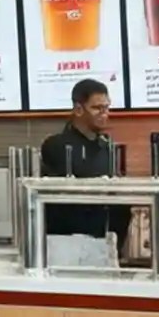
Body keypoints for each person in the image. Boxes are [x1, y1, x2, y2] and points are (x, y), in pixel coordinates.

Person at [40, 79, 130, 243]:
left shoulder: (107, 147)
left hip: (104, 241)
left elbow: (117, 198)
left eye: (106, 108)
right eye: (97, 108)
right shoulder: (57, 146)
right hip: (67, 242)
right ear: (78, 109)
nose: (104, 114)